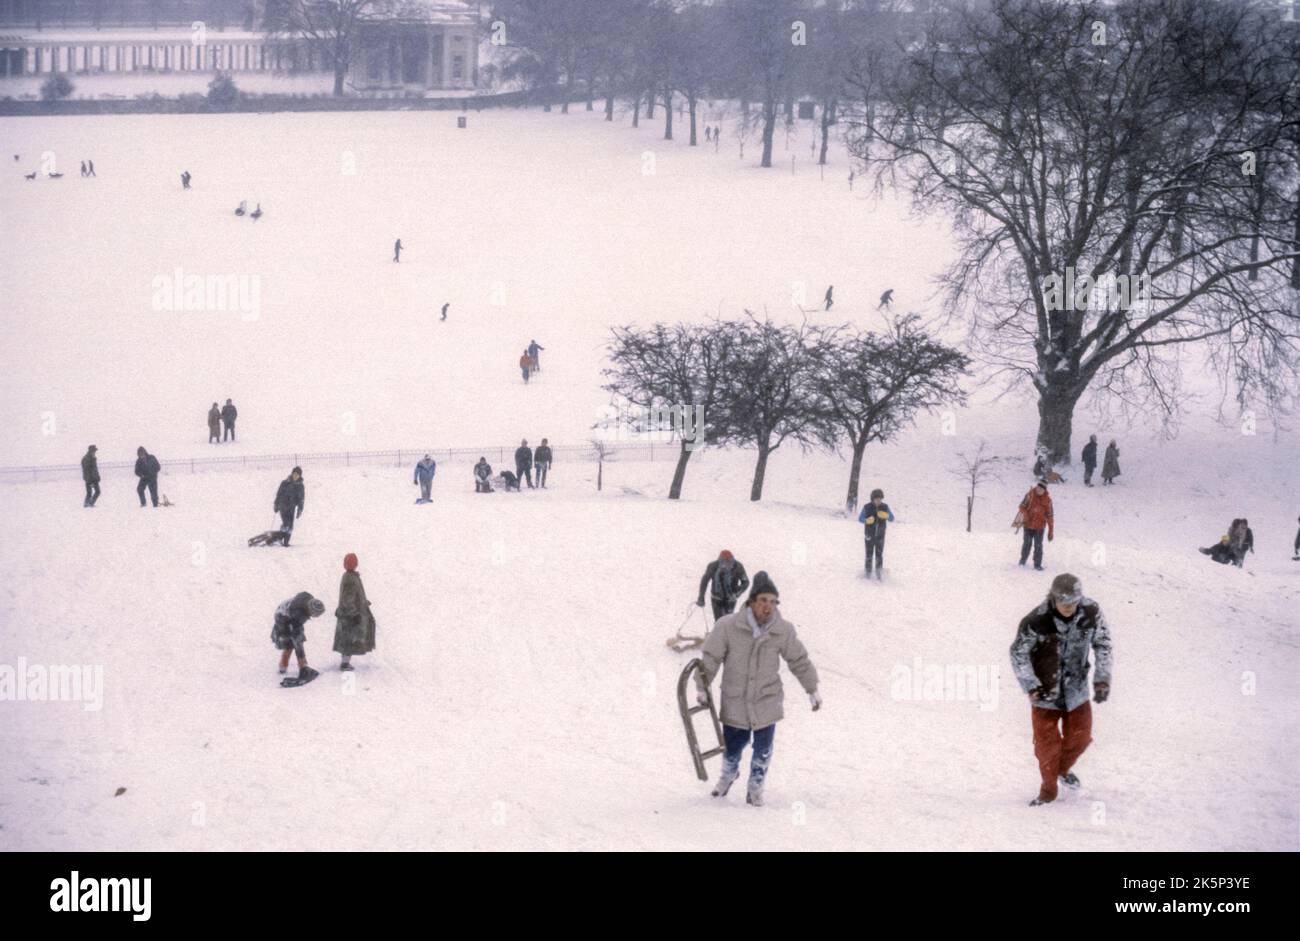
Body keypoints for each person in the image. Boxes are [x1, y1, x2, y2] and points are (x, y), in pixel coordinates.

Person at [695, 571, 821, 807]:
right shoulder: (728, 626)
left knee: (763, 749)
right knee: (733, 747)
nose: (768, 606)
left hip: (766, 700)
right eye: (763, 600)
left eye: (773, 602)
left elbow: (799, 660)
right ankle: (728, 774)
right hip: (736, 699)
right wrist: (702, 687)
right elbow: (710, 659)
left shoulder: (782, 630)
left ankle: (756, 786)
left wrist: (811, 689)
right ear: (751, 601)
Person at [1009, 573, 1112, 806]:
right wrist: (1031, 685)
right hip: (1044, 693)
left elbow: (1103, 644)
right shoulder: (1036, 620)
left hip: (1077, 691)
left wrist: (1102, 679)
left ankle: (1061, 769)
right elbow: (1018, 653)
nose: (1069, 607)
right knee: (1046, 748)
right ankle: (1048, 792)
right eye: (1064, 603)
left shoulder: (1091, 613)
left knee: (1081, 738)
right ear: (1053, 598)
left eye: (1074, 602)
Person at [333, 554, 375, 672]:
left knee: (348, 638)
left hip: (348, 612)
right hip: (350, 614)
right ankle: (345, 663)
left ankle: (345, 661)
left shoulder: (349, 576)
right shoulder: (351, 578)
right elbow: (348, 598)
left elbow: (352, 595)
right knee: (349, 638)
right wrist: (354, 613)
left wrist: (363, 601)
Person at [272, 591, 325, 683]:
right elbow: (297, 640)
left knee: (296, 641)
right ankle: (284, 667)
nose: (316, 617)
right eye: (316, 615)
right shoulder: (299, 614)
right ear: (310, 611)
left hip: (290, 613)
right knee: (289, 644)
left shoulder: (308, 598)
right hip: (282, 618)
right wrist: (303, 663)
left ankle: (300, 666)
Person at [696, 550, 750, 622]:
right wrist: (701, 597)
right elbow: (704, 581)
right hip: (716, 598)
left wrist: (737, 593)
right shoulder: (713, 566)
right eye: (724, 562)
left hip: (731, 598)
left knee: (728, 621)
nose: (727, 564)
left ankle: (725, 632)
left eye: (729, 562)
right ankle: (719, 631)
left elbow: (745, 582)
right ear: (720, 560)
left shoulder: (738, 566)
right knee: (719, 621)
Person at [1015, 479, 1054, 570]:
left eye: (1041, 488)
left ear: (1045, 490)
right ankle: (1023, 561)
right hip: (1028, 524)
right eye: (1038, 487)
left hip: (1040, 526)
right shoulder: (1029, 495)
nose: (1039, 490)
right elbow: (1021, 506)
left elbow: (1050, 516)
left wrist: (1050, 531)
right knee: (1027, 543)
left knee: (1038, 545)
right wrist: (1025, 513)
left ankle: (1037, 564)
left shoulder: (1048, 501)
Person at [858, 488, 895, 580]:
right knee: (869, 554)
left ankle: (879, 574)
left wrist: (886, 515)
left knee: (879, 554)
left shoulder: (885, 507)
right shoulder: (867, 507)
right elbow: (860, 518)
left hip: (880, 535)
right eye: (876, 499)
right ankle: (868, 574)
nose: (878, 501)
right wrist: (866, 520)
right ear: (872, 499)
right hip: (869, 535)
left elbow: (892, 518)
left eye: (880, 499)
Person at [273, 466, 305, 546]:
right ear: (292, 473)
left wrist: (300, 510)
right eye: (294, 473)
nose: (295, 476)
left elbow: (301, 499)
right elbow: (279, 494)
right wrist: (276, 504)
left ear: (300, 476)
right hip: (282, 505)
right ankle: (280, 538)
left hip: (292, 507)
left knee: (290, 525)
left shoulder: (300, 486)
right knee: (286, 523)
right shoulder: (285, 483)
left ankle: (286, 541)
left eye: (297, 474)